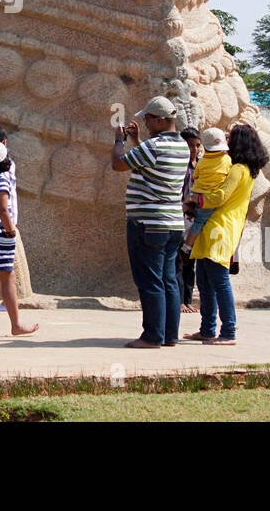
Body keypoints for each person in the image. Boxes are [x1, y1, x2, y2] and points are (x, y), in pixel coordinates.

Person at [112, 96, 190, 349]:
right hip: (172, 224)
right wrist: (137, 141)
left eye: (147, 119)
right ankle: (169, 335)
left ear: (160, 119)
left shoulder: (154, 147)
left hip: (147, 222)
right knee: (168, 280)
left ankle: (152, 336)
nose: (145, 122)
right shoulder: (182, 147)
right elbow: (151, 164)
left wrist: (119, 141)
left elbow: (118, 164)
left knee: (150, 280)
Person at [187, 123, 267, 345]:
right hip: (213, 229)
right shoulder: (245, 170)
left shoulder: (238, 169)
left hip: (219, 230)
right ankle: (207, 329)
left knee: (219, 283)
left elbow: (220, 196)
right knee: (203, 282)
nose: (227, 143)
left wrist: (196, 199)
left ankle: (228, 331)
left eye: (231, 139)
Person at [0, 135, 39, 338]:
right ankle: (16, 324)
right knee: (8, 277)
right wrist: (11, 230)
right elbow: (3, 209)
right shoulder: (0, 179)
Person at [177, 127, 201, 314]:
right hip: (178, 217)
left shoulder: (201, 166)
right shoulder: (178, 165)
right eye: (190, 145)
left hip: (194, 219)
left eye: (197, 145)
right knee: (178, 259)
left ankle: (187, 298)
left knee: (190, 261)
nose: (194, 149)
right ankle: (178, 301)